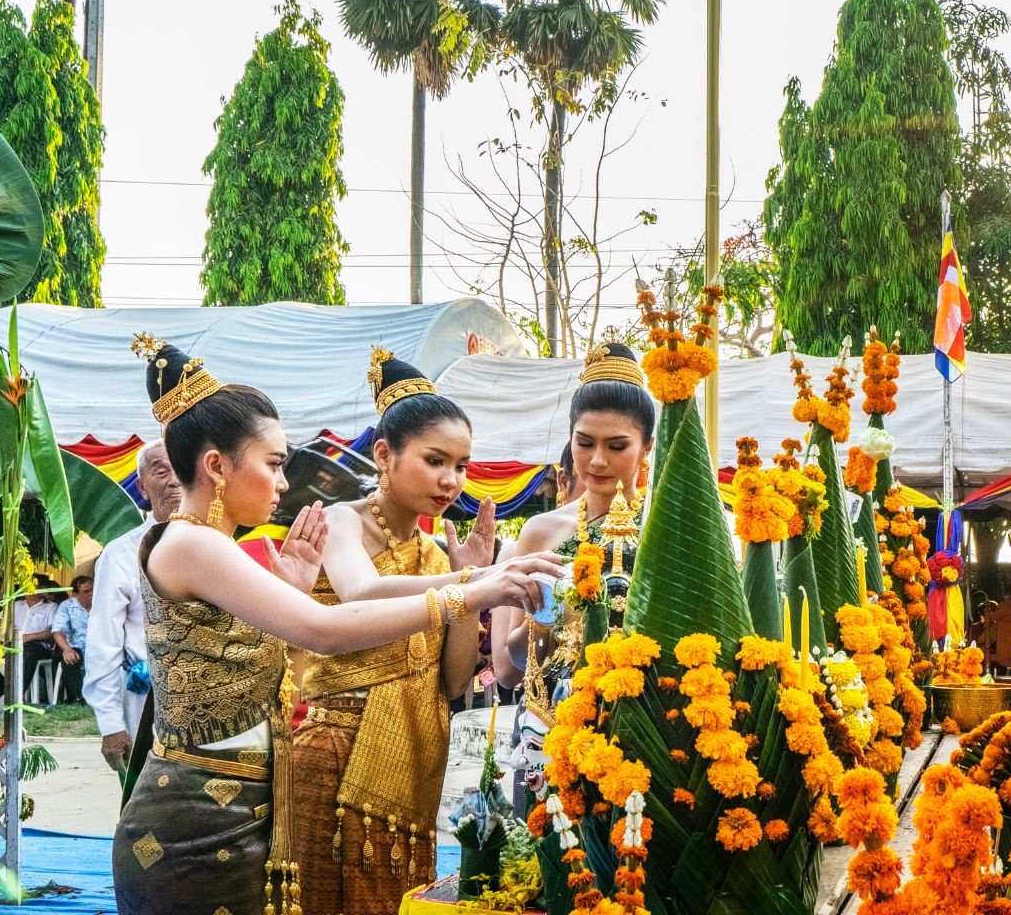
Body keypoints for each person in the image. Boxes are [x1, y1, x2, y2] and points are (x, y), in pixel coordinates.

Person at [112, 335, 552, 915]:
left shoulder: (210, 548)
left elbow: (282, 670)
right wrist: (470, 589)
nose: (283, 483)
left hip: (244, 807)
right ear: (216, 466)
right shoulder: (192, 543)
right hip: (195, 818)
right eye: (274, 464)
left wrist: (296, 592)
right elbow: (325, 630)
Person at [289, 350, 562, 911]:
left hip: (414, 762)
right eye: (435, 460)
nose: (450, 480)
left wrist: (467, 590)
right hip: (337, 753)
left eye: (461, 465)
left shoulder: (439, 561)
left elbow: (456, 681)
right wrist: (475, 581)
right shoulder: (342, 520)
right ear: (384, 454)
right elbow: (359, 593)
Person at [491, 343, 654, 814]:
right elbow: (509, 667)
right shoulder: (541, 532)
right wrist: (546, 617)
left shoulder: (667, 528)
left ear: (646, 448)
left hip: (645, 721)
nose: (597, 461)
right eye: (584, 443)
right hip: (552, 726)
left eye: (617, 446)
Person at [87, 440, 183, 801]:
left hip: (203, 700)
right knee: (145, 805)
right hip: (143, 702)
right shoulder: (121, 555)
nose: (173, 480)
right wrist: (111, 725)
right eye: (161, 471)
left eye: (180, 468)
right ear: (142, 487)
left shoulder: (220, 545)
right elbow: (103, 644)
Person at [15, 576, 60, 699]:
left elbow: (53, 632)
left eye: (32, 585)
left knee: (28, 652)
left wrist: (30, 637)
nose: (27, 588)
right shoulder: (16, 605)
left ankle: (17, 696)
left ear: (42, 588)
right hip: (15, 644)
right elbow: (2, 621)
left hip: (40, 646)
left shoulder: (51, 607)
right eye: (24, 585)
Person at [53, 575, 93, 705]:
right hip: (77, 646)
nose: (91, 594)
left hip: (100, 646)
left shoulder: (104, 604)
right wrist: (67, 649)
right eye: (86, 591)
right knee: (70, 658)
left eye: (93, 590)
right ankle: (77, 698)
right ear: (75, 594)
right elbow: (58, 631)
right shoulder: (67, 606)